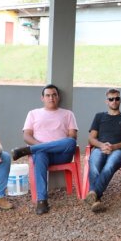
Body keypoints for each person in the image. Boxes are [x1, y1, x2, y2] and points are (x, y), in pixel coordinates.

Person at [11, 84, 78, 214]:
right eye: (47, 95)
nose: (51, 98)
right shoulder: (33, 113)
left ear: (58, 97)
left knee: (70, 142)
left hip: (62, 154)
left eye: (54, 95)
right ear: (42, 98)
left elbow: (72, 136)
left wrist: (38, 147)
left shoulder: (68, 114)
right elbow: (26, 136)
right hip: (42, 155)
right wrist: (41, 147)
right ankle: (42, 201)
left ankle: (29, 150)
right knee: (41, 153)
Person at [85, 88, 121, 212]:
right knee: (94, 166)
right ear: (106, 101)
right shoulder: (99, 116)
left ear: (120, 100)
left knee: (109, 166)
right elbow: (91, 138)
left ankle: (93, 193)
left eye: (117, 98)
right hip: (100, 148)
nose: (114, 101)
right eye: (111, 99)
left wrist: (114, 147)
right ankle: (96, 200)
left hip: (118, 150)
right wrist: (102, 145)